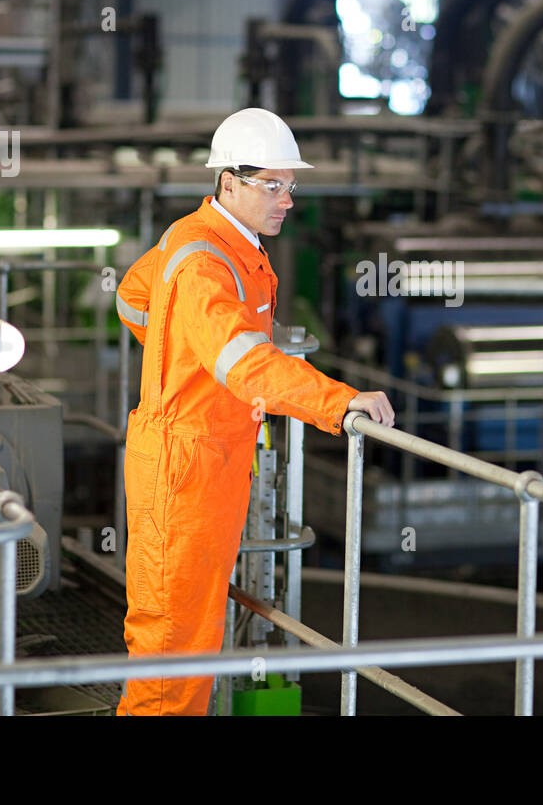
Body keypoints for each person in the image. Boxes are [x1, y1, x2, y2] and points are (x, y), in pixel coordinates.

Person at [112, 107, 394, 715]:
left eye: (290, 185)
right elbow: (245, 364)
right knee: (171, 655)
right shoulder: (207, 262)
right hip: (186, 466)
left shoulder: (196, 238)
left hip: (199, 459)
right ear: (229, 182)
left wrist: (182, 353)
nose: (287, 199)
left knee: (187, 638)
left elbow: (133, 299)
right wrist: (340, 402)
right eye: (272, 185)